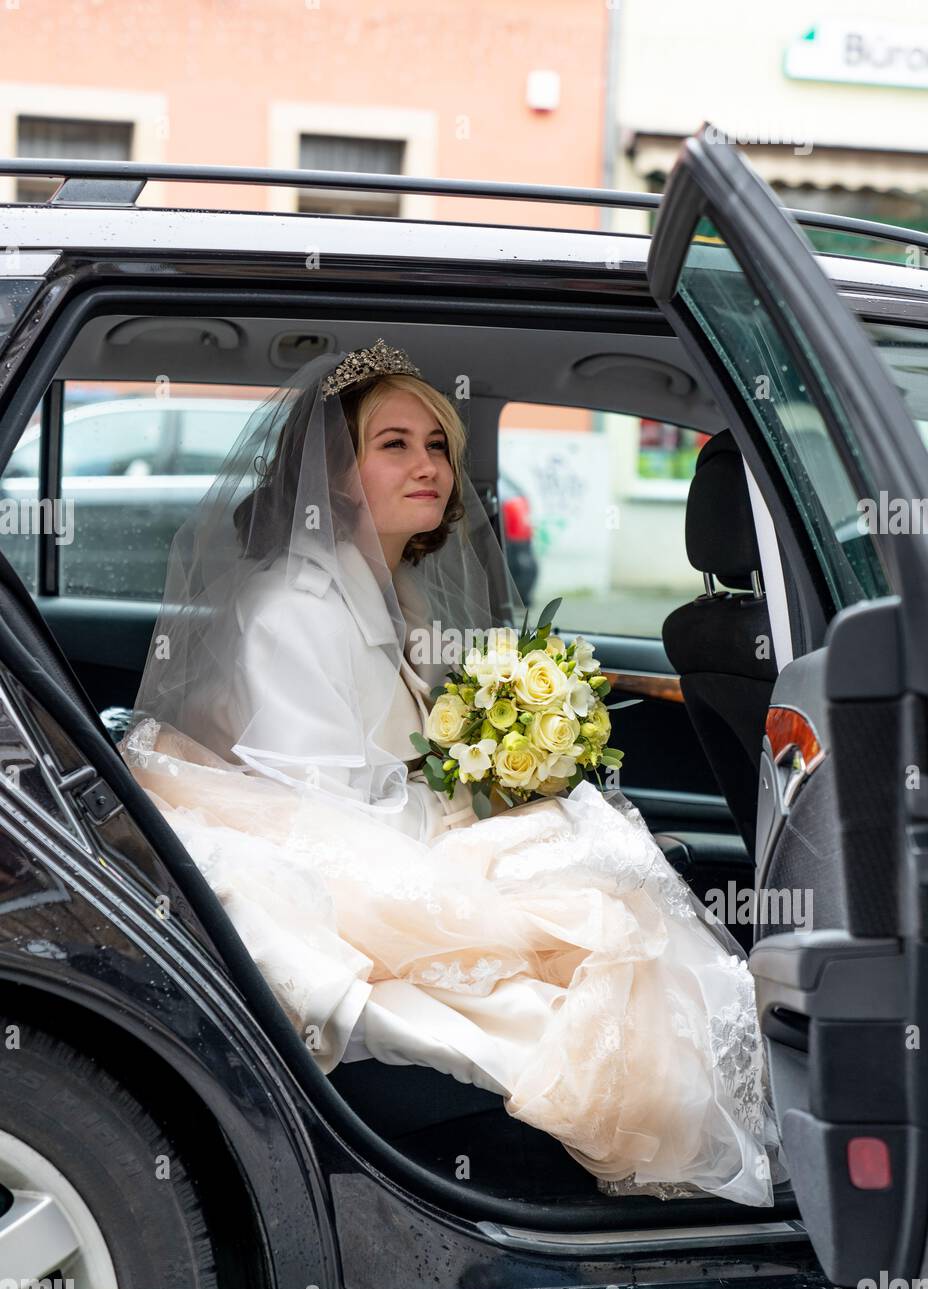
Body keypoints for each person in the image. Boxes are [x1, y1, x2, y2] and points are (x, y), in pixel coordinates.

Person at [119, 339, 786, 1206]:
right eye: (393, 444)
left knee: (601, 872)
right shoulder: (292, 610)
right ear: (335, 471)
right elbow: (316, 816)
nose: (428, 465)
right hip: (334, 865)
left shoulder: (394, 594)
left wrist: (489, 793)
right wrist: (478, 824)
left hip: (380, 832)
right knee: (593, 905)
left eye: (437, 446)